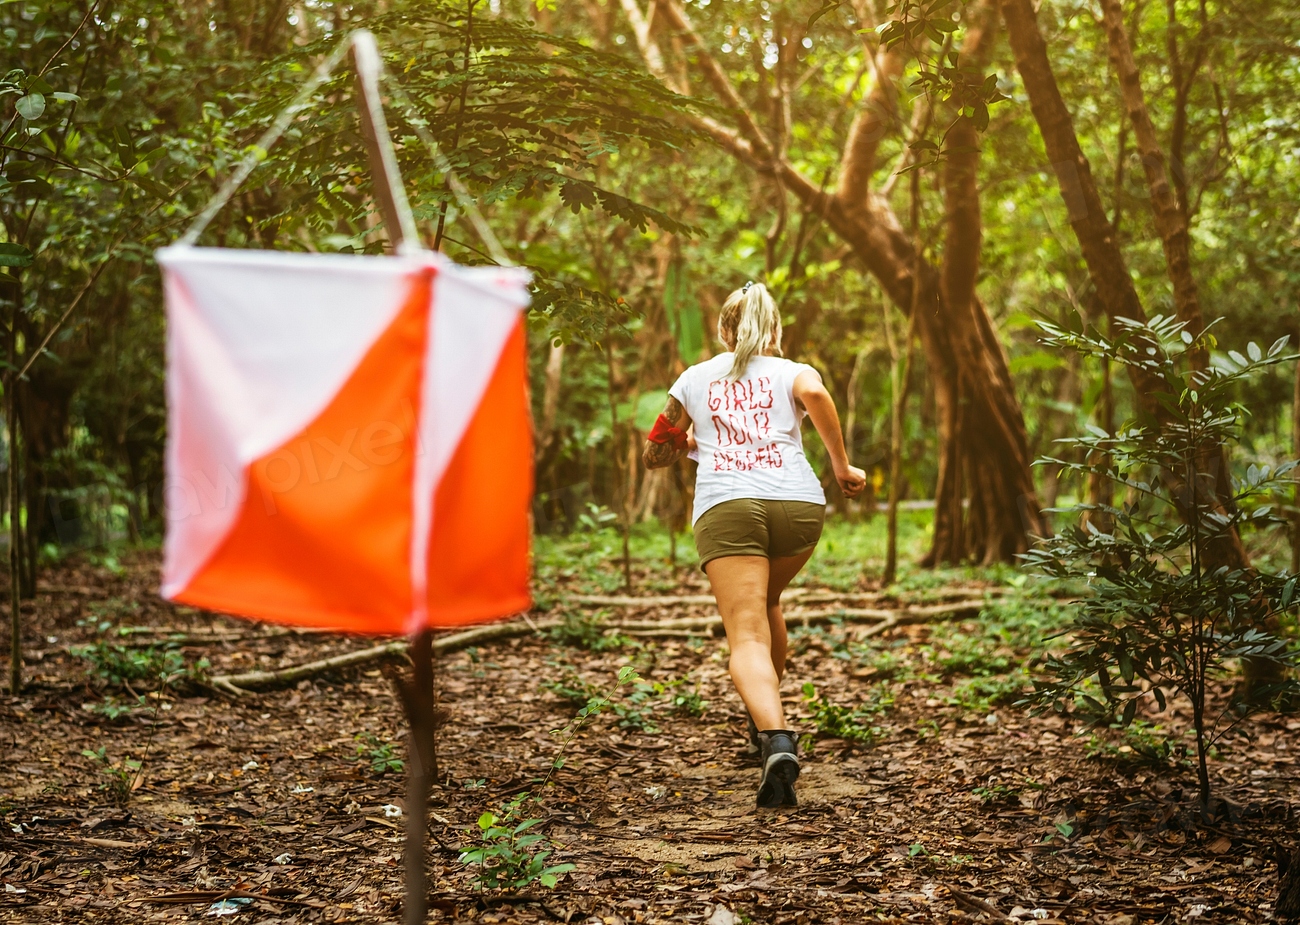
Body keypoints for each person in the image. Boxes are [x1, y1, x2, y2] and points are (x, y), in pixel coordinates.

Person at [642, 281, 867, 809]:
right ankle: (763, 716)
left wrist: (686, 438)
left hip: (728, 509)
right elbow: (814, 395)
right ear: (775, 332)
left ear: (724, 330)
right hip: (799, 508)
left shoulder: (695, 378)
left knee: (744, 633)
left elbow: (655, 453)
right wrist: (840, 465)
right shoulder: (794, 371)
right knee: (767, 604)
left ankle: (776, 737)